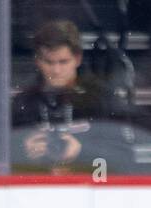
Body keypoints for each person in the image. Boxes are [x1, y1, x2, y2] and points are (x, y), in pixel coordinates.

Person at [11, 19, 132, 175]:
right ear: (38, 61)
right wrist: (23, 151)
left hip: (91, 192)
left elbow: (126, 157)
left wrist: (83, 151)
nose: (56, 70)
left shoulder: (101, 97)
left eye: (63, 62)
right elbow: (1, 162)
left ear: (77, 58)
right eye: (49, 62)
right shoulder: (24, 102)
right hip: (39, 192)